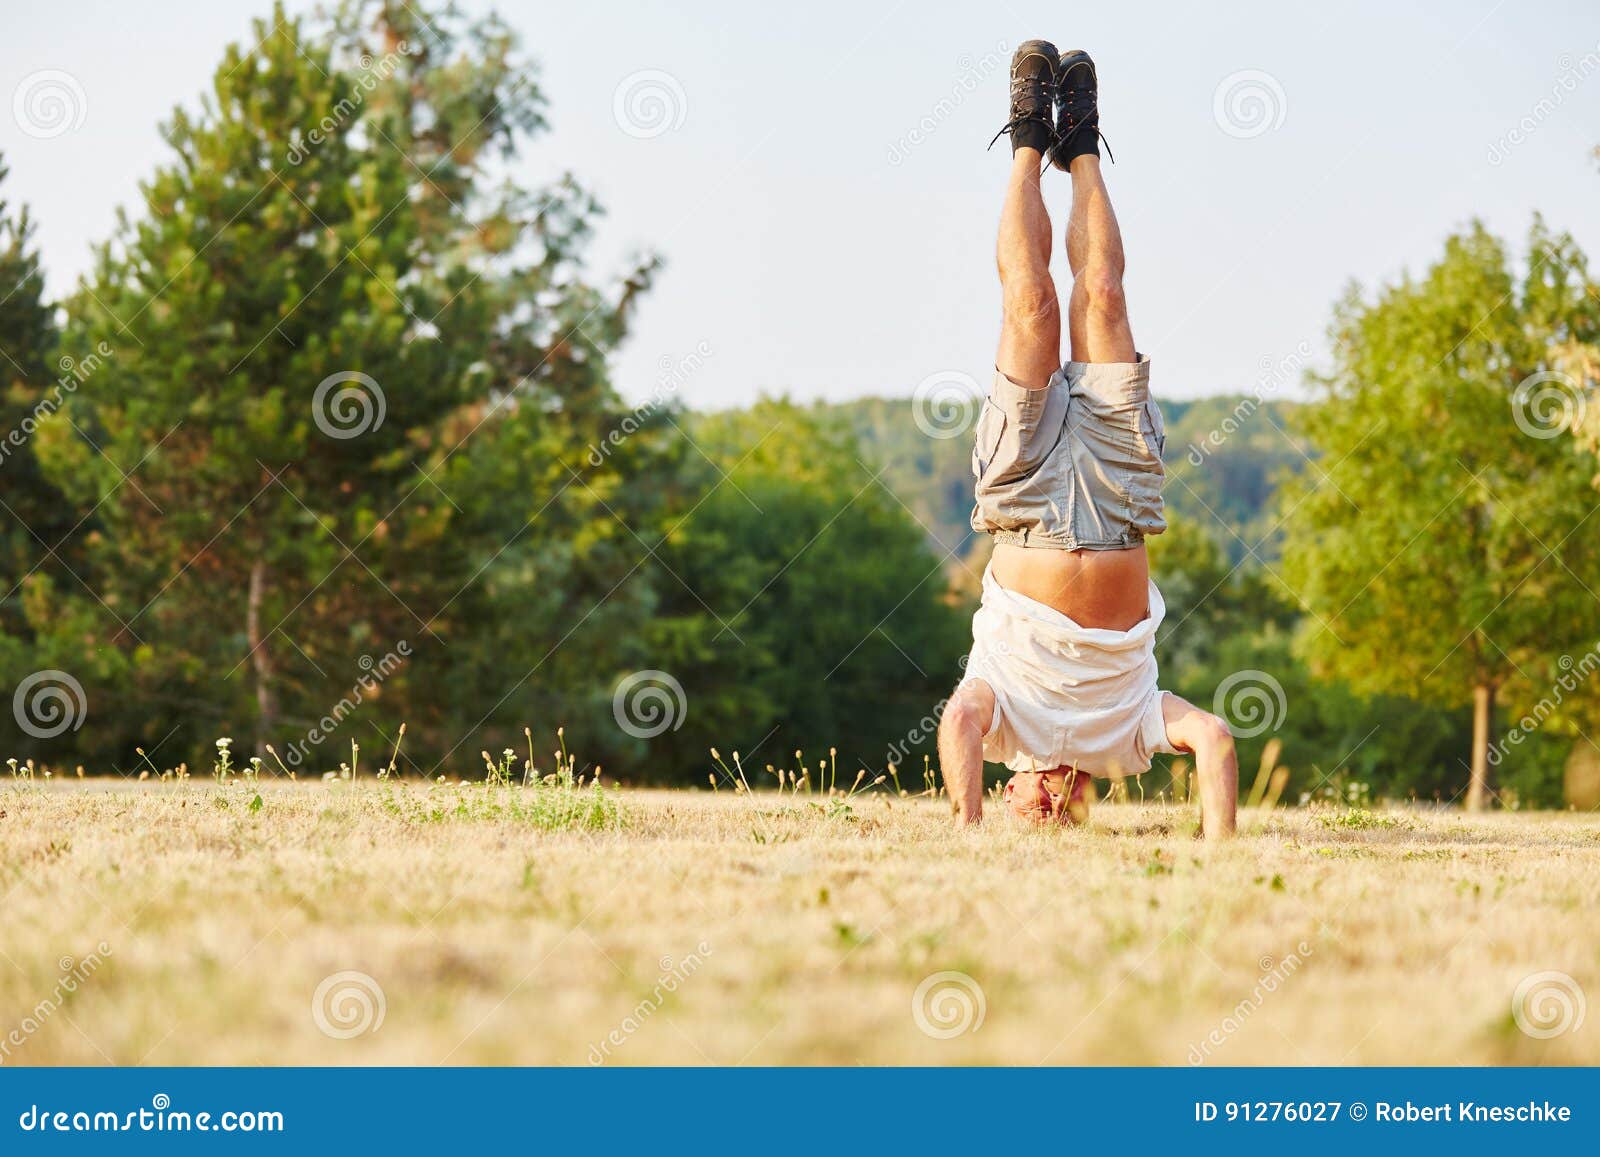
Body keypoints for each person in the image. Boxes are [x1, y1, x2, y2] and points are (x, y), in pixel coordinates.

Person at [937, 41, 1237, 839]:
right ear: (1083, 805)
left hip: (1022, 496)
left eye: (1033, 809)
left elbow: (958, 724)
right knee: (1100, 297)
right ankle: (1083, 147)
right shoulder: (1128, 744)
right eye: (1063, 815)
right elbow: (1214, 738)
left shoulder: (1000, 728)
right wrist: (1221, 853)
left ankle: (1028, 139)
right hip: (1120, 498)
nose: (1051, 806)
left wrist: (966, 832)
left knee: (1031, 304)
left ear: (1009, 793)